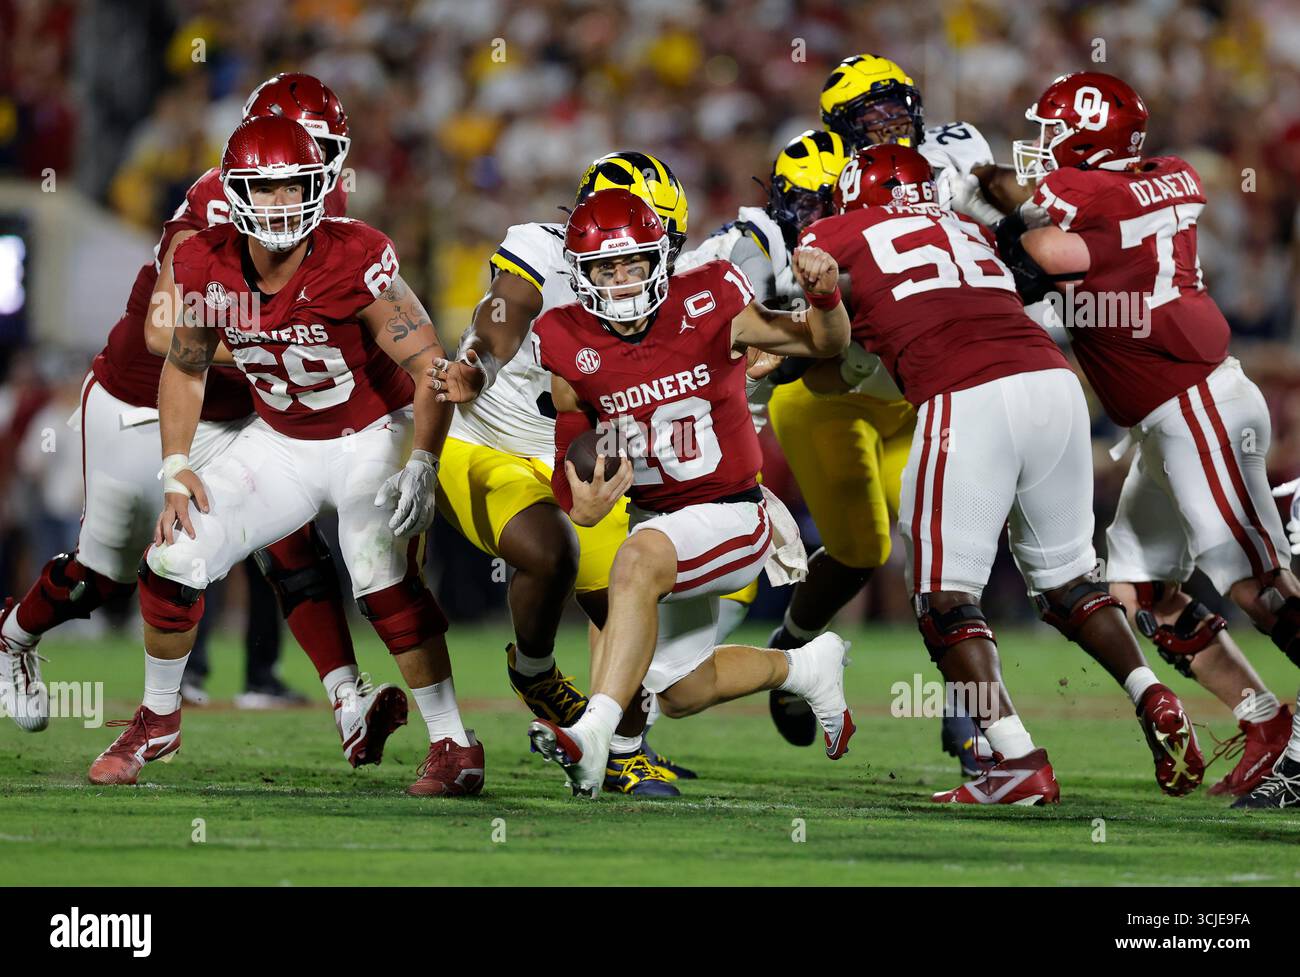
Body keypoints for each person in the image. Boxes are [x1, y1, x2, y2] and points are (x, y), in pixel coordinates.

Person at [0, 73, 405, 768]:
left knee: (294, 544)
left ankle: (349, 701)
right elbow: (165, 334)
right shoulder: (216, 198)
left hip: (246, 408)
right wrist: (277, 341)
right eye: (290, 147)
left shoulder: (323, 206)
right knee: (104, 576)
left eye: (318, 149)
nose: (300, 167)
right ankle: (13, 635)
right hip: (142, 401)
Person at [801, 144, 1203, 804]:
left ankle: (1017, 761)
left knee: (943, 595)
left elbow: (829, 337)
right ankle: (1150, 691)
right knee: (1071, 582)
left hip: (966, 397)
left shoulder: (835, 231)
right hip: (1053, 382)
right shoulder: (970, 227)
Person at [86, 115, 472, 797]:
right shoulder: (203, 258)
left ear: (319, 185)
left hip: (370, 431)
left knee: (378, 569)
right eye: (262, 191)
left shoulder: (356, 253)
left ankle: (453, 743)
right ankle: (159, 716)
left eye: (293, 187)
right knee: (175, 553)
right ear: (232, 193)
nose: (279, 204)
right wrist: (177, 466)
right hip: (284, 439)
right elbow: (186, 363)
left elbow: (428, 364)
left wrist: (423, 459)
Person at [486, 188, 855, 798]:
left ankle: (600, 736)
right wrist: (575, 498)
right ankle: (806, 666)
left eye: (634, 262)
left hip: (735, 513)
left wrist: (824, 297)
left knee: (635, 561)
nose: (624, 279)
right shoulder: (563, 335)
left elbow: (826, 344)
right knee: (678, 691)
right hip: (660, 516)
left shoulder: (711, 297)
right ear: (582, 275)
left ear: (661, 256)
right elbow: (570, 442)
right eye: (607, 267)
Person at [1002, 71, 1296, 804]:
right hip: (1170, 418)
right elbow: (1076, 257)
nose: (1043, 150)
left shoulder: (1089, 200)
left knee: (1258, 586)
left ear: (1086, 134)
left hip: (1197, 407)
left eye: (1053, 131)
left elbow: (1038, 252)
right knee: (1140, 588)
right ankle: (1266, 721)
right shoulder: (1165, 176)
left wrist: (990, 221)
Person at [762, 54, 1026, 771]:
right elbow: (797, 291)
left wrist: (1023, 243)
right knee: (858, 552)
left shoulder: (961, 149)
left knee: (948, 543)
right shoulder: (814, 178)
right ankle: (790, 650)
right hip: (829, 388)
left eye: (893, 105)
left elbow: (1008, 229)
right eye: (865, 116)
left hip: (917, 386)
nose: (886, 123)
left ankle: (972, 714)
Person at [431, 152, 716, 795]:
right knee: (550, 550)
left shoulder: (669, 292)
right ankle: (534, 671)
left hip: (573, 449)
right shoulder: (542, 251)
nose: (647, 259)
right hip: (484, 439)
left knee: (633, 594)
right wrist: (476, 365)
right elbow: (503, 313)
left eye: (658, 241)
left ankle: (619, 748)